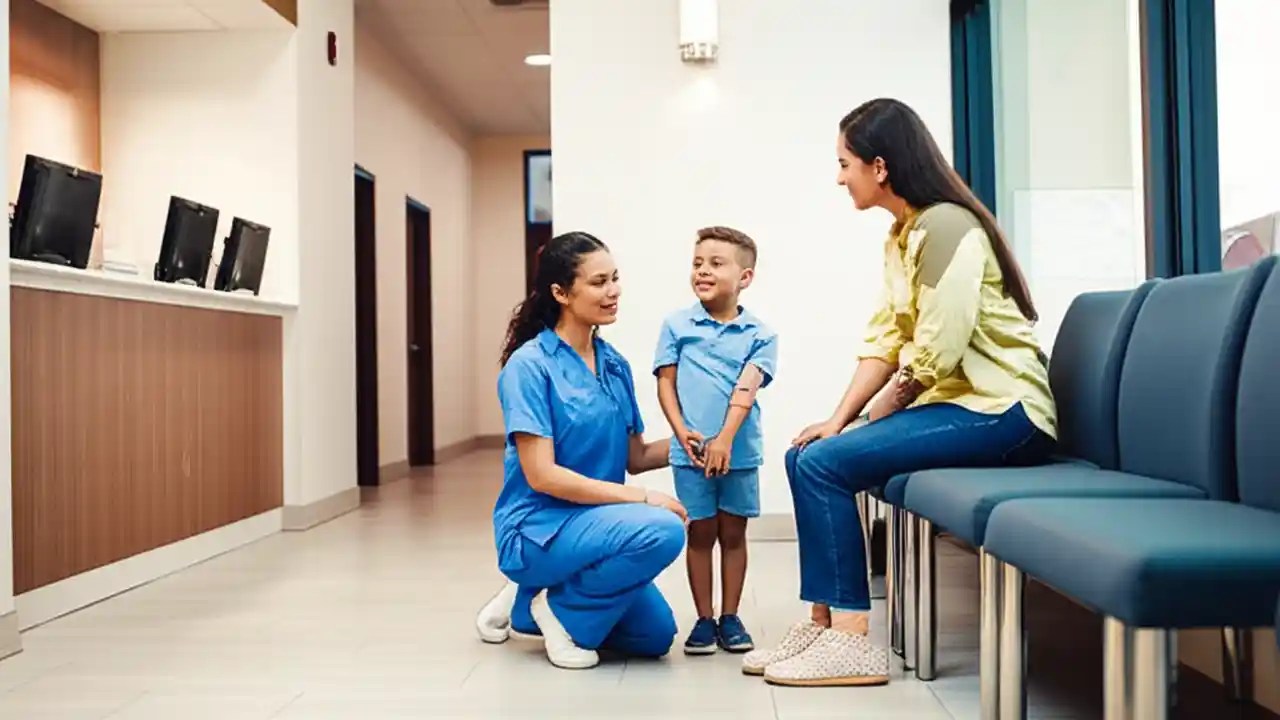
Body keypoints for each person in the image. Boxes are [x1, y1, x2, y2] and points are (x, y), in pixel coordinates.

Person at [744, 99, 1057, 687]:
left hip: (1005, 411)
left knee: (823, 467)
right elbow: (886, 337)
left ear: (879, 167)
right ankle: (822, 621)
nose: (839, 178)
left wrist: (882, 407)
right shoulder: (902, 235)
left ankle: (853, 641)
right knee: (806, 452)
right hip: (960, 405)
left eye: (844, 164)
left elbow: (938, 345)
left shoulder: (945, 225)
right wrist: (839, 418)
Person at [472, 231, 690, 670]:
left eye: (615, 278)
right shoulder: (529, 367)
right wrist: (645, 498)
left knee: (654, 636)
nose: (614, 291)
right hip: (536, 529)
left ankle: (527, 600)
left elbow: (635, 457)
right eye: (598, 282)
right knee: (663, 529)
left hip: (594, 527)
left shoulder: (614, 365)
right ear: (560, 293)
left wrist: (693, 442)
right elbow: (543, 476)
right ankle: (556, 611)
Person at [654, 226, 778, 656]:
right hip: (689, 456)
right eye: (697, 263)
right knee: (700, 534)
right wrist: (679, 428)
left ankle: (731, 616)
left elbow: (747, 388)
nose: (702, 271)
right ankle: (704, 620)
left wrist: (725, 440)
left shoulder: (760, 335)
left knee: (733, 533)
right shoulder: (676, 325)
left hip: (739, 454)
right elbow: (665, 384)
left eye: (715, 263)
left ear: (745, 278)